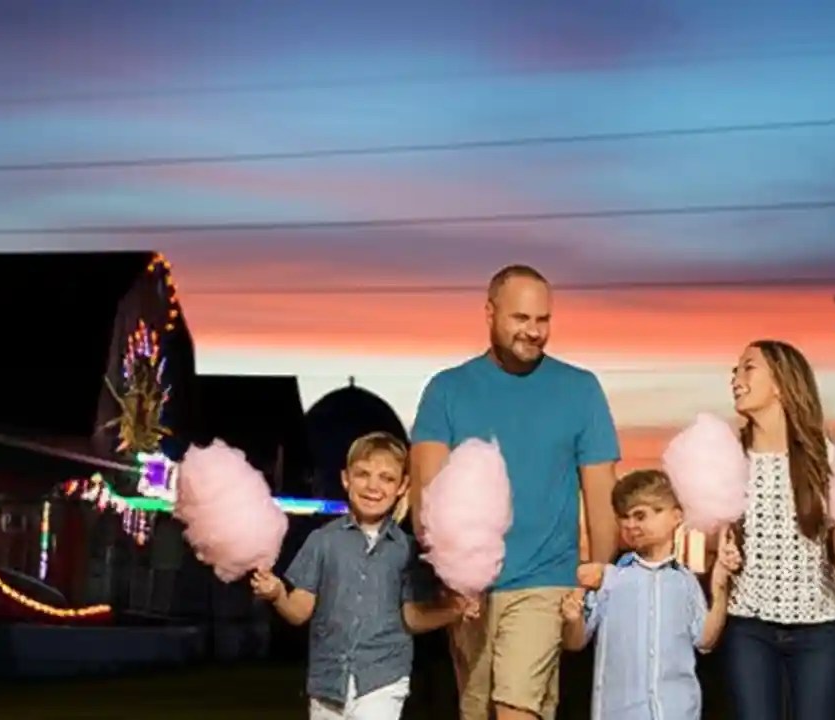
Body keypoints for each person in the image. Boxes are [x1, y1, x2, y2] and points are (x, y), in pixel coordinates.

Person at [409, 264, 621, 720]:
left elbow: (602, 495)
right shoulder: (446, 390)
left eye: (543, 320)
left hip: (546, 581)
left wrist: (599, 578)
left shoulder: (580, 390)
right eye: (521, 319)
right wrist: (449, 576)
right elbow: (425, 498)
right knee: (478, 711)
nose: (534, 331)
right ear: (489, 313)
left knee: (515, 709)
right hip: (470, 588)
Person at [251, 432, 476, 720]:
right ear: (346, 479)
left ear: (402, 486)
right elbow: (299, 612)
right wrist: (278, 594)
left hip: (383, 680)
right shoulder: (322, 541)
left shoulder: (408, 550)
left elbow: (413, 617)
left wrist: (455, 610)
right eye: (363, 474)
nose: (373, 486)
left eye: (387, 478)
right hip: (327, 682)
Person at [720, 340, 835, 720]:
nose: (735, 378)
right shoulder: (724, 457)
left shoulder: (831, 460)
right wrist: (719, 551)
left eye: (747, 367)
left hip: (820, 630)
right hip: (749, 627)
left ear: (781, 383)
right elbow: (713, 537)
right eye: (735, 370)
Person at [561, 469, 742, 720]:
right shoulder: (610, 580)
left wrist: (720, 588)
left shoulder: (686, 581)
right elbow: (576, 642)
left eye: (641, 515)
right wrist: (573, 619)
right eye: (623, 517)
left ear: (676, 517)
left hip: (677, 711)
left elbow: (705, 640)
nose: (630, 525)